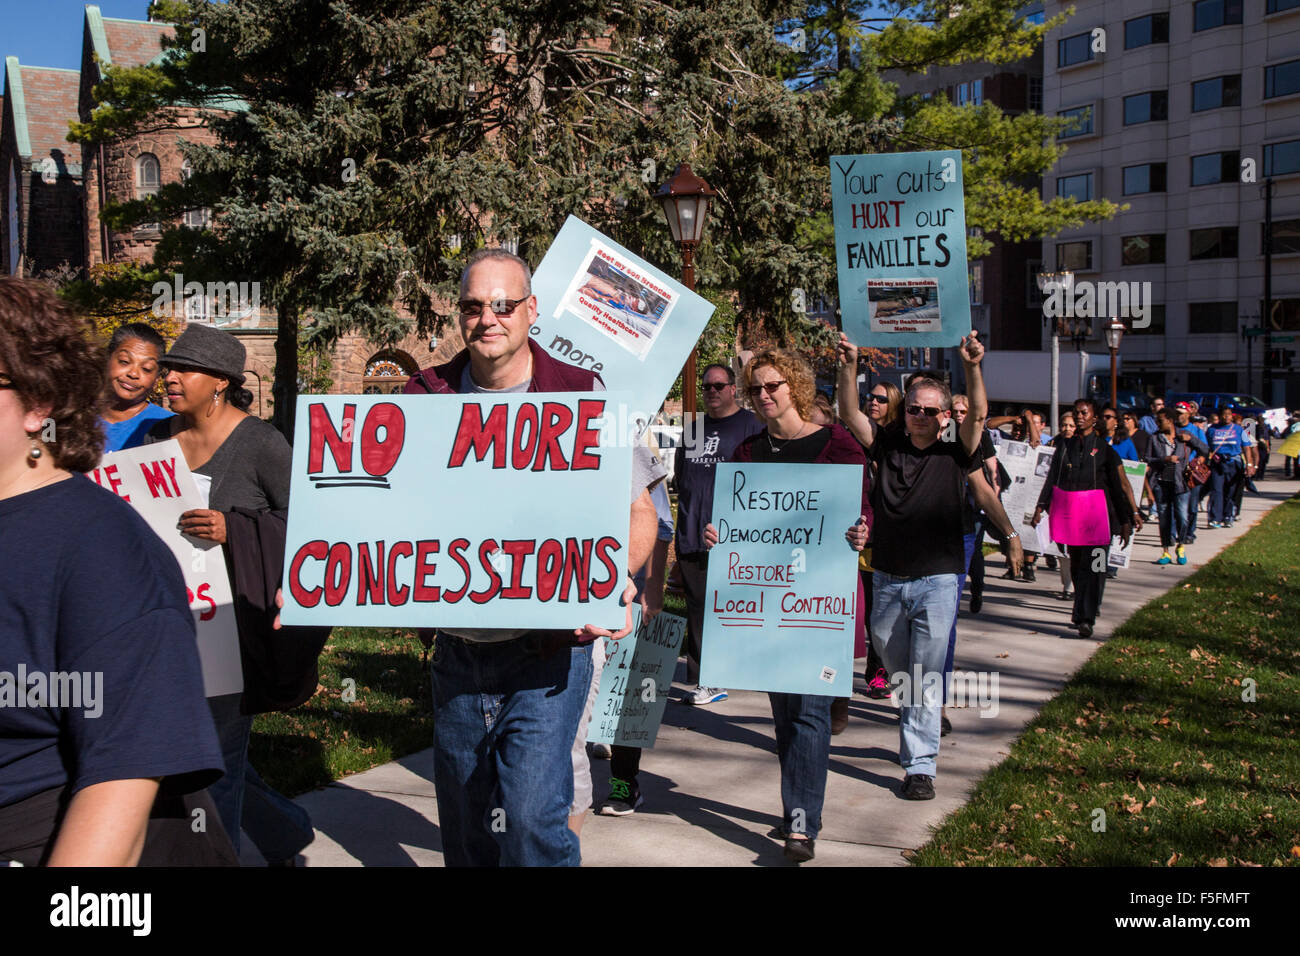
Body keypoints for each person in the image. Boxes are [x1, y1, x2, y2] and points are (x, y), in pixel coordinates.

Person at [402, 247, 658, 866]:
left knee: (529, 820)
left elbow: (638, 513)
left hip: (550, 652)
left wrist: (613, 576)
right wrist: (327, 571)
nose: (488, 318)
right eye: (473, 306)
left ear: (531, 311)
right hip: (458, 652)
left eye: (503, 304)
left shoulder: (581, 395)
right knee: (466, 834)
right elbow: (381, 520)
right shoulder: (422, 398)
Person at [0, 277, 224, 866]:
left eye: (149, 366)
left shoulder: (106, 551)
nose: (138, 373)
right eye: (122, 360)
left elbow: (122, 781)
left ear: (38, 405)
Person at [145, 322, 317, 866]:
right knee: (199, 754)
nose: (165, 376)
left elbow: (312, 525)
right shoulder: (156, 441)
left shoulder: (262, 443)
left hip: (231, 628)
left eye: (180, 369)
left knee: (213, 760)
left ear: (219, 381)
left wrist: (234, 528)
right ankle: (286, 833)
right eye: (167, 367)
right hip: (168, 624)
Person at [703, 348, 870, 861]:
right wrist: (717, 535)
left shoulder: (837, 445)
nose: (765, 395)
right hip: (768, 604)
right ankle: (795, 806)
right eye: (756, 389)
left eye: (773, 385)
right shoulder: (749, 453)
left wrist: (862, 532)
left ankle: (802, 823)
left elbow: (860, 510)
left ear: (794, 385)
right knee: (783, 715)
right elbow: (732, 518)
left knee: (809, 714)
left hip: (819, 603)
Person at [837, 330, 1015, 801]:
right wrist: (849, 363)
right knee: (894, 660)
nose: (919, 416)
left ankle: (920, 766)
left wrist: (972, 365)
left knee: (925, 674)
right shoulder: (887, 442)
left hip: (938, 578)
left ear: (943, 417)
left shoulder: (957, 447)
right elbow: (849, 413)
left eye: (930, 410)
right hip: (889, 577)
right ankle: (914, 711)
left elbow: (977, 412)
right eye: (913, 407)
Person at [672, 362, 763, 706]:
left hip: (733, 538)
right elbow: (684, 478)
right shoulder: (693, 429)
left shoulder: (752, 427)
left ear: (733, 389)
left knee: (731, 608)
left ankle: (729, 670)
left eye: (718, 386)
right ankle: (705, 679)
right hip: (693, 532)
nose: (711, 392)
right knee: (698, 609)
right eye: (707, 386)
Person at [596, 439, 673, 816]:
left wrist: (653, 587)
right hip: (572, 595)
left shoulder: (629, 444)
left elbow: (659, 526)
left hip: (628, 594)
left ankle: (623, 787)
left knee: (628, 700)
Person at [1032, 399, 1143, 639]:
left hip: (1100, 520)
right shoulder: (1064, 446)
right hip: (1073, 519)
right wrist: (1041, 506)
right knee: (1078, 567)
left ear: (1094, 418)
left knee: (1096, 567)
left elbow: (1118, 487)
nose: (1079, 416)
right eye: (1076, 413)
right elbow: (1053, 478)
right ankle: (1081, 608)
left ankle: (1087, 617)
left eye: (1084, 413)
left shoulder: (1106, 450)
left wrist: (1127, 519)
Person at [835, 375, 903, 699]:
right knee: (858, 612)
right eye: (870, 397)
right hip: (850, 538)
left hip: (885, 542)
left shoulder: (897, 445)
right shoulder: (849, 442)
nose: (873, 402)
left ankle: (879, 673)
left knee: (881, 613)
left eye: (881, 398)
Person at [100, 322, 175, 452]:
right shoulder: (72, 416)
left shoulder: (169, 428)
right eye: (124, 362)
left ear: (157, 379)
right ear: (106, 360)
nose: (133, 374)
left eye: (146, 369)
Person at [1147, 408, 1207, 565]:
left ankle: (1181, 545)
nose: (1157, 424)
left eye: (1160, 421)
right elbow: (1148, 459)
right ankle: (1166, 551)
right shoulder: (1154, 438)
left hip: (1181, 483)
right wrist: (1164, 459)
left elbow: (1205, 450)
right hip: (1161, 482)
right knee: (1164, 519)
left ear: (1170, 420)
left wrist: (1191, 440)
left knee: (1182, 516)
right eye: (1157, 421)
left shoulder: (1183, 436)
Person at [1204, 406, 1250, 528]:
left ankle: (1228, 516)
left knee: (1231, 490)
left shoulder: (1239, 429)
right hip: (1217, 464)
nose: (1227, 416)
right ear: (1219, 416)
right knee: (1216, 490)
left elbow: (1246, 447)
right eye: (1224, 414)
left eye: (1229, 414)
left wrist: (1249, 464)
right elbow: (1206, 446)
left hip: (1234, 463)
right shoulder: (1211, 430)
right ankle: (1215, 518)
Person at [1174, 402, 1209, 540]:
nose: (1179, 416)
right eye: (1177, 413)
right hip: (1177, 471)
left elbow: (1205, 450)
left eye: (1181, 413)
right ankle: (1176, 532)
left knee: (1192, 506)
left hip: (1192, 472)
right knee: (1177, 505)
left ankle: (1189, 533)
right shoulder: (1173, 429)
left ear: (1188, 414)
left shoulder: (1196, 431)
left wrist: (1199, 461)